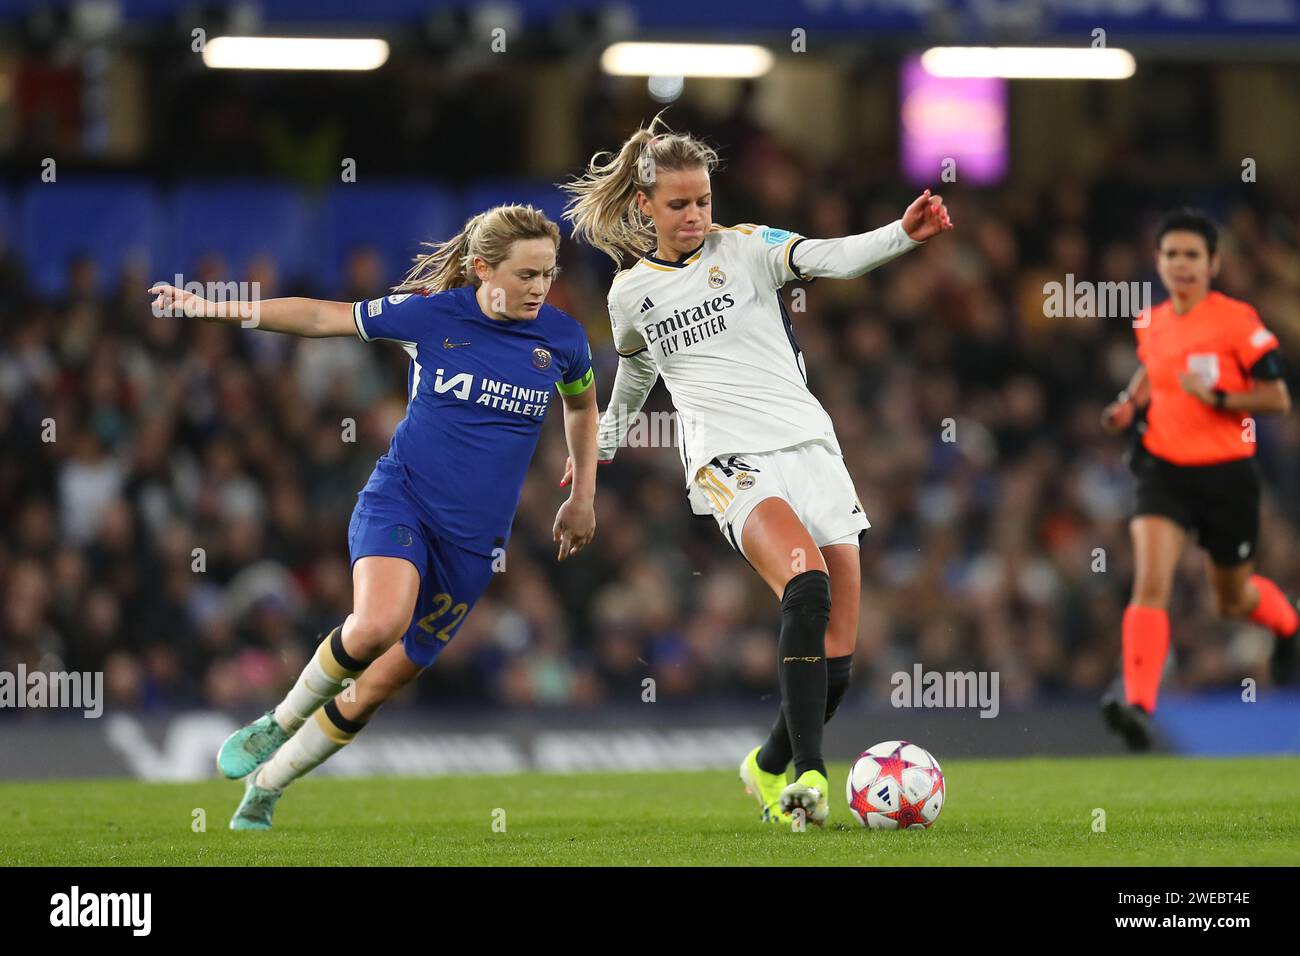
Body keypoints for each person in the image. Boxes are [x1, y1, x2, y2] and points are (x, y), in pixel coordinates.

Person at [149, 204, 598, 829]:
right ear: (481, 269)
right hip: (402, 500)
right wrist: (216, 308)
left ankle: (270, 783)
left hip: (473, 544)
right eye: (525, 275)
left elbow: (581, 408)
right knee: (377, 623)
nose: (539, 288)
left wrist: (582, 495)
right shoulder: (432, 315)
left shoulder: (562, 339)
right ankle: (274, 724)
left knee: (378, 686)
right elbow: (318, 315)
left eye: (548, 274)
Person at [559, 114, 951, 825]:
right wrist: (600, 447)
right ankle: (808, 777)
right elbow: (638, 369)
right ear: (645, 206)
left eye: (703, 200)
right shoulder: (629, 294)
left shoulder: (745, 248)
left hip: (808, 444)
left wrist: (902, 234)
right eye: (678, 204)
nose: (694, 215)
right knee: (805, 584)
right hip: (724, 457)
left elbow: (831, 257)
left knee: (838, 662)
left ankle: (765, 766)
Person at [1100, 207, 1296, 751]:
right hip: (1164, 468)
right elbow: (1153, 370)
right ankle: (1138, 702)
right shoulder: (1152, 321)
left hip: (1227, 473)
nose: (1181, 264)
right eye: (1171, 255)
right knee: (1151, 582)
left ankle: (1287, 622)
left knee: (1231, 599)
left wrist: (1221, 399)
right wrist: (1128, 403)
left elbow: (1277, 397)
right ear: (1158, 263)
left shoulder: (1238, 321)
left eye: (1192, 255)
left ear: (1213, 264)